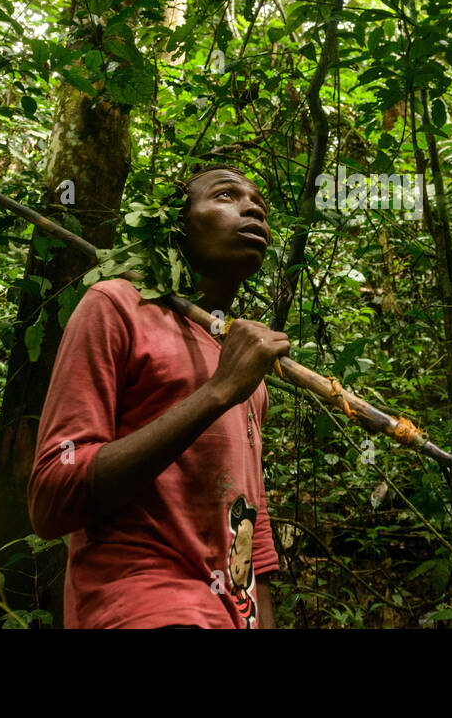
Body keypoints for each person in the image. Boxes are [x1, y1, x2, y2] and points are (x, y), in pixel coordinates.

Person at [27, 166, 291, 627]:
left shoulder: (242, 362)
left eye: (260, 206)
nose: (252, 209)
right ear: (175, 223)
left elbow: (249, 521)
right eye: (226, 195)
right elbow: (52, 496)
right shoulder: (117, 306)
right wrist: (218, 392)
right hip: (144, 607)